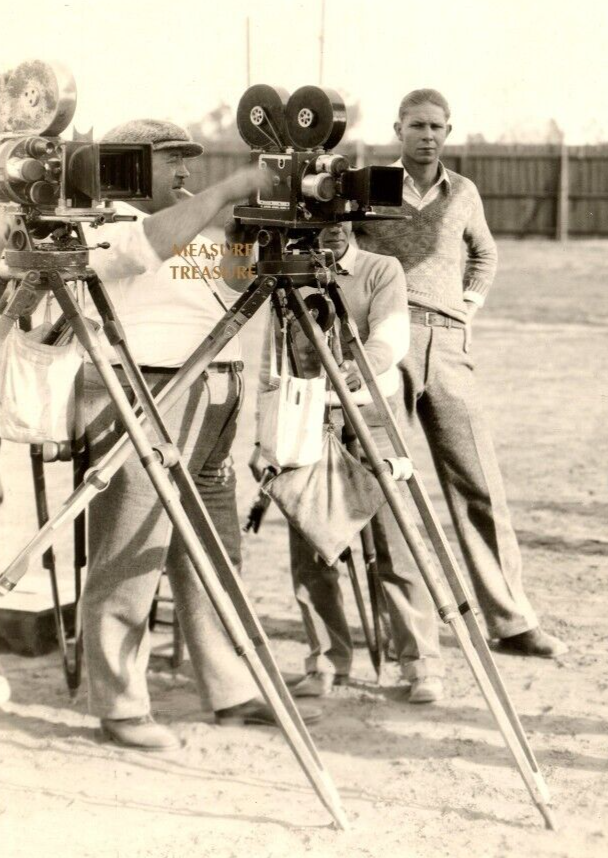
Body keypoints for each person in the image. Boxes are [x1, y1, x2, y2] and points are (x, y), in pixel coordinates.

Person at [78, 119, 319, 750]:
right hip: (143, 391)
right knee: (132, 549)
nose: (187, 173)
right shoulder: (100, 221)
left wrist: (249, 232)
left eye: (191, 161)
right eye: (172, 160)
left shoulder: (191, 226)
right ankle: (120, 705)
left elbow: (230, 288)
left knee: (213, 551)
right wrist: (226, 192)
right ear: (128, 166)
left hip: (215, 391)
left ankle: (230, 688)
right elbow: (143, 251)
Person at [354, 89, 567, 659]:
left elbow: (485, 255)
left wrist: (466, 306)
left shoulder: (464, 192)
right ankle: (412, 642)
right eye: (417, 125)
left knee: (477, 479)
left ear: (449, 132)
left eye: (437, 127)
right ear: (397, 128)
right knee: (388, 482)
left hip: (447, 344)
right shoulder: (368, 184)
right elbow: (342, 255)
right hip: (386, 341)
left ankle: (512, 620)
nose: (428, 135)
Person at [251, 222, 445, 704]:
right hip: (305, 422)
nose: (331, 230)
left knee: (397, 546)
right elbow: (271, 358)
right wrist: (265, 436)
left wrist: (359, 366)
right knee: (312, 549)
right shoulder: (290, 274)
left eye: (338, 220)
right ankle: (324, 661)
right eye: (318, 222)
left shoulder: (381, 270)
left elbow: (392, 337)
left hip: (373, 418)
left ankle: (420, 663)